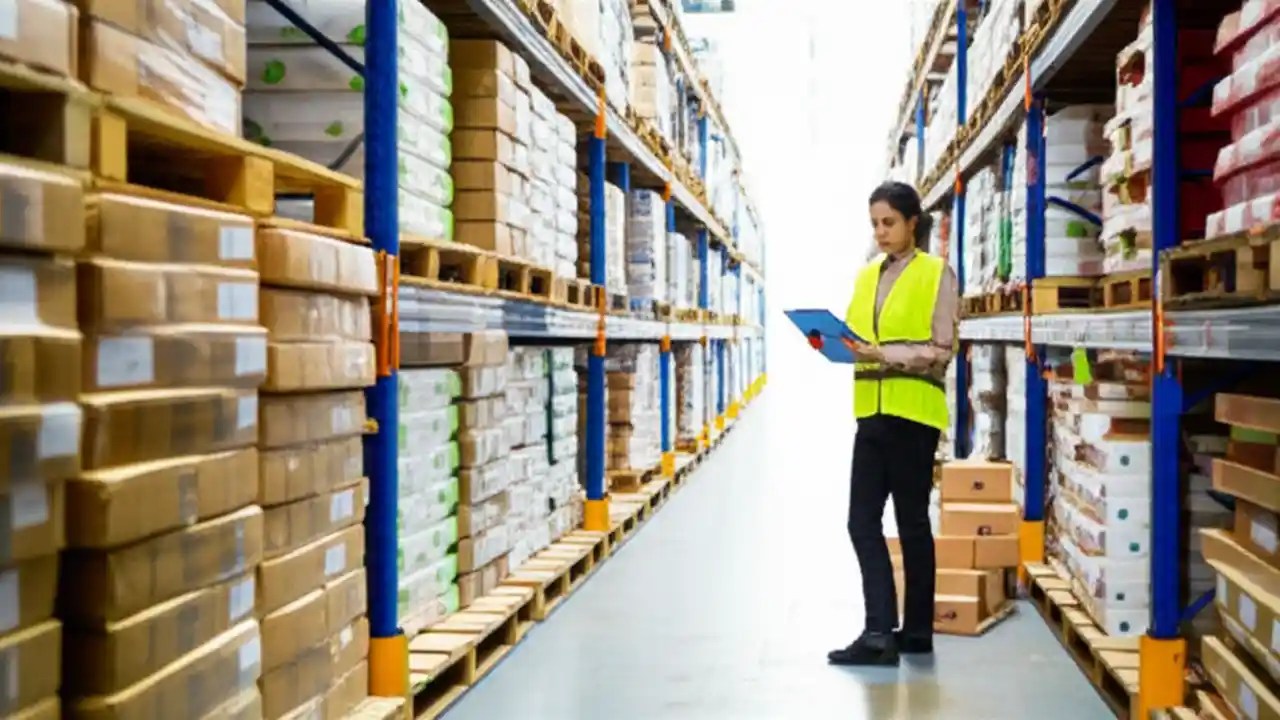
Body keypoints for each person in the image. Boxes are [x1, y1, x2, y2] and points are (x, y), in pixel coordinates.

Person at [824, 181, 959, 667]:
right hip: (872, 414)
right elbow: (859, 336)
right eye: (875, 224)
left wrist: (883, 354)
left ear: (911, 223)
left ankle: (917, 631)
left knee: (912, 523)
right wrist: (834, 344)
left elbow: (942, 350)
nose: (881, 232)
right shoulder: (867, 276)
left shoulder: (936, 274)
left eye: (889, 222)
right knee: (861, 521)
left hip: (913, 415)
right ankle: (879, 632)